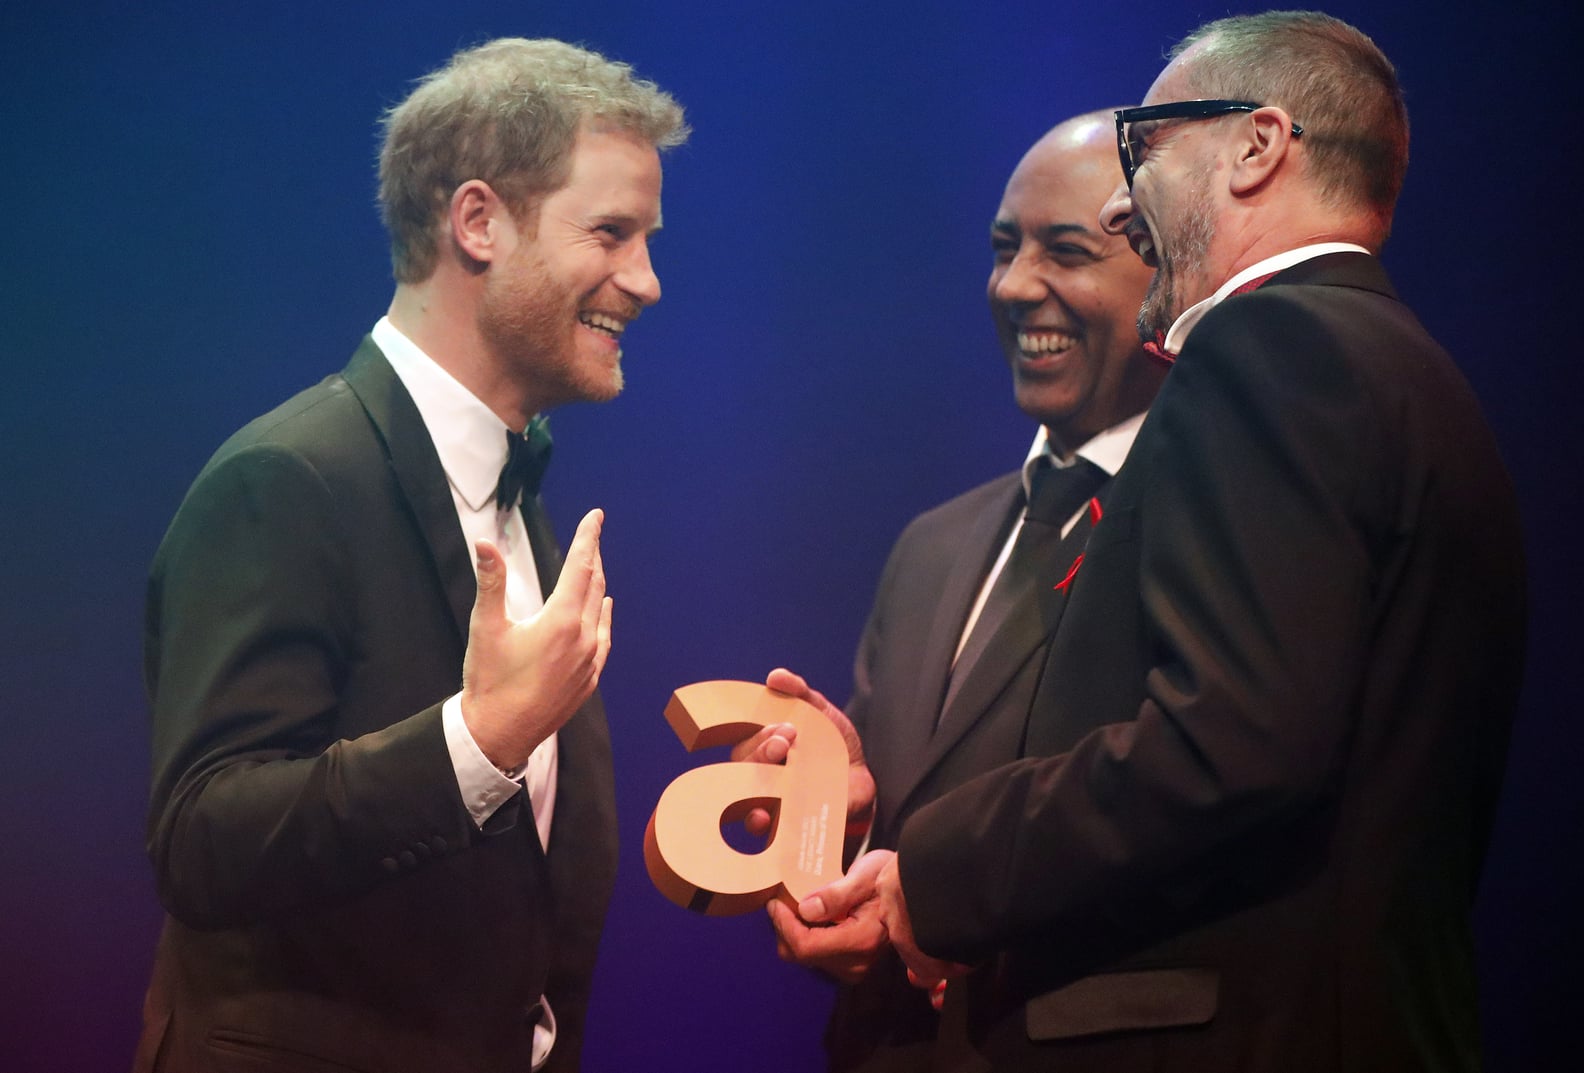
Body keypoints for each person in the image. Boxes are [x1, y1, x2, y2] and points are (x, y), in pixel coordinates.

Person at [787, 11, 1527, 1071]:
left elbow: (1229, 744)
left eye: (1146, 148)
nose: (1132, 200)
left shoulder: (1268, 343)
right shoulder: (1416, 376)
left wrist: (935, 875)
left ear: (1257, 147)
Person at [134, 39, 686, 1073]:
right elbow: (202, 840)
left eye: (647, 239)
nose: (647, 280)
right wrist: (475, 742)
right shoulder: (286, 479)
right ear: (477, 222)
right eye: (611, 231)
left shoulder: (519, 496)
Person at [746, 111, 1165, 1069]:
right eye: (1004, 249)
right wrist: (832, 849)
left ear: (1167, 271)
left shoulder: (1205, 526)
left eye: (1066, 250)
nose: (1017, 286)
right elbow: (898, 852)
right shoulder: (933, 545)